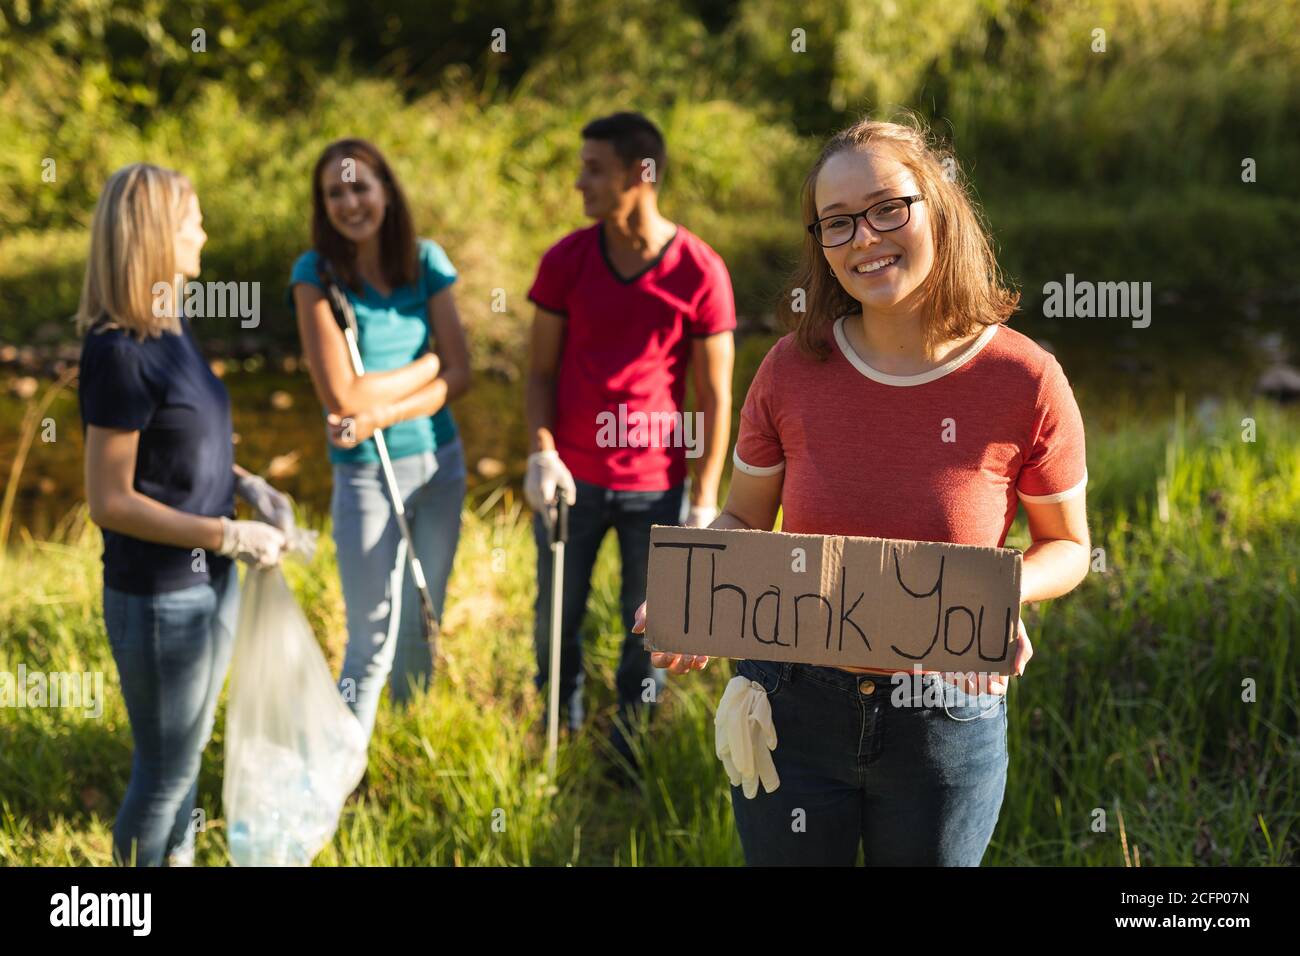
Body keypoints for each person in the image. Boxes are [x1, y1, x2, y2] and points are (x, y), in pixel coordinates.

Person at [634, 115, 1091, 865]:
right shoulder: (789, 369)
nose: (865, 239)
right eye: (837, 223)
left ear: (936, 205)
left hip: (946, 716)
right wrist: (696, 589)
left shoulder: (1025, 378)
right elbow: (746, 517)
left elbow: (1069, 547)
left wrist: (1000, 594)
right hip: (791, 705)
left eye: (887, 208)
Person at [77, 163, 295, 866]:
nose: (203, 231)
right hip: (160, 601)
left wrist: (245, 484)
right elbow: (110, 500)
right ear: (155, 234)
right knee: (165, 772)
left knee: (189, 755)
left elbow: (175, 450)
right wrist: (230, 533)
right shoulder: (118, 352)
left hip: (209, 585)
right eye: (192, 220)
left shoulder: (172, 325)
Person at [524, 111, 736, 773]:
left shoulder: (699, 270)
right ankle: (557, 727)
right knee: (555, 617)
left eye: (594, 169)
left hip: (656, 485)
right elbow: (538, 369)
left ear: (640, 175)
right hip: (573, 480)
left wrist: (704, 502)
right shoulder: (566, 260)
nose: (578, 181)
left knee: (649, 628)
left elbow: (717, 396)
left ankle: (628, 753)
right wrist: (541, 452)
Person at [290, 138, 472, 744]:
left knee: (425, 612)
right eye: (335, 193)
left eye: (360, 187)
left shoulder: (426, 261)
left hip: (439, 465)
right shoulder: (314, 274)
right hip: (366, 472)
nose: (350, 202)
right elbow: (343, 395)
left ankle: (405, 737)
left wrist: (383, 406)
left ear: (386, 192)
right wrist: (426, 367)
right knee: (371, 631)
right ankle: (343, 765)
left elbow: (462, 372)